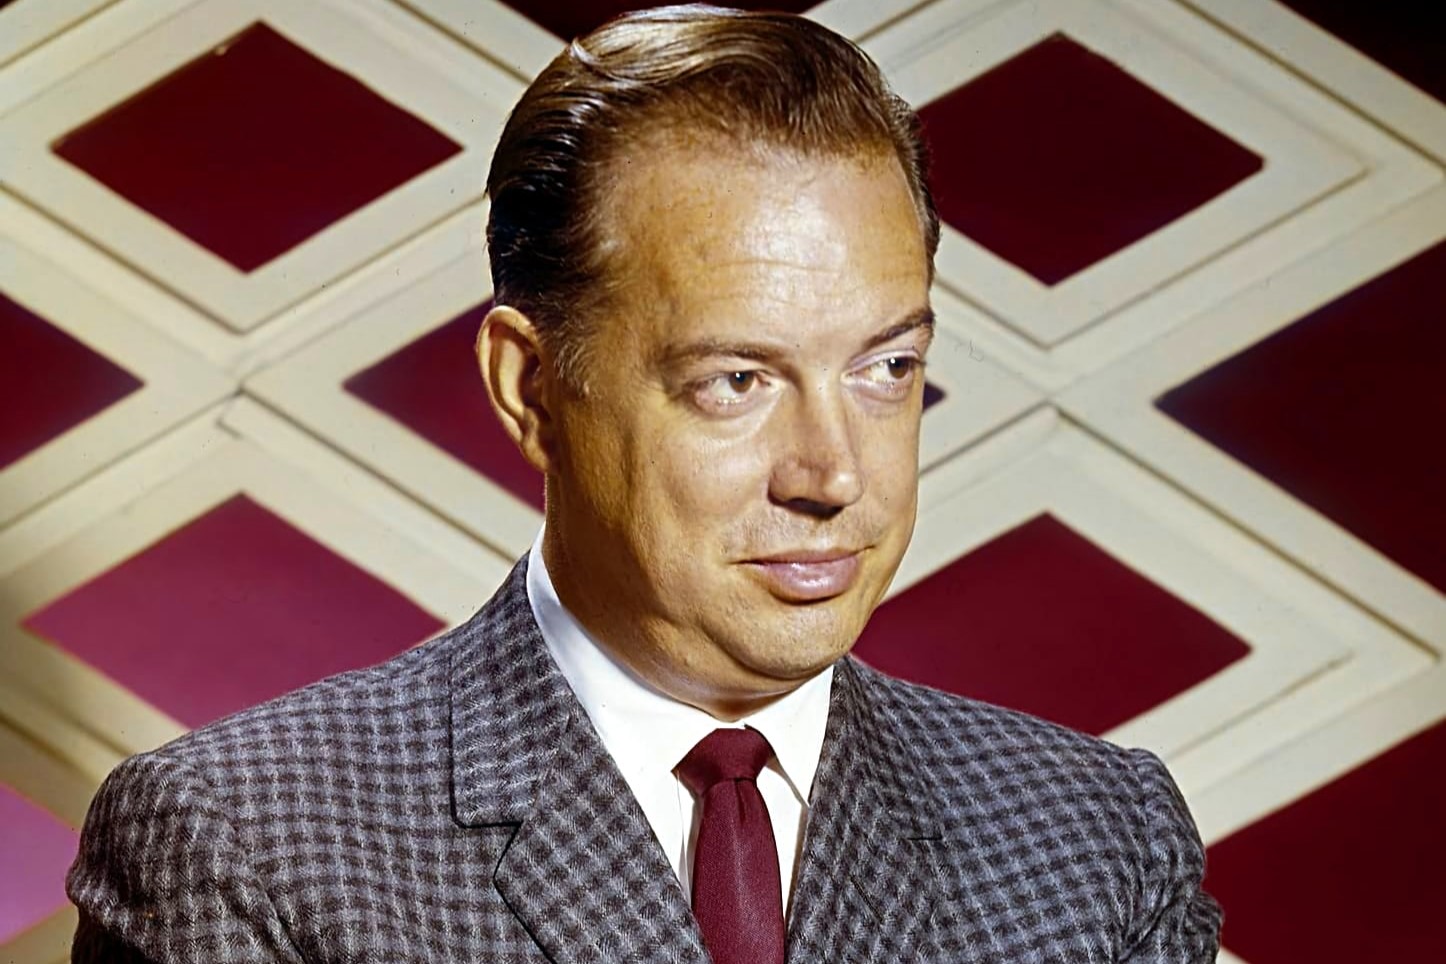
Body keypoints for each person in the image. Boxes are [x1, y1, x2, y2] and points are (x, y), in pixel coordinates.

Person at [67, 6, 1221, 962]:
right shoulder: (244, 843)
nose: (835, 474)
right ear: (531, 388)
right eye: (736, 381)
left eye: (886, 369)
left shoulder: (1099, 837)